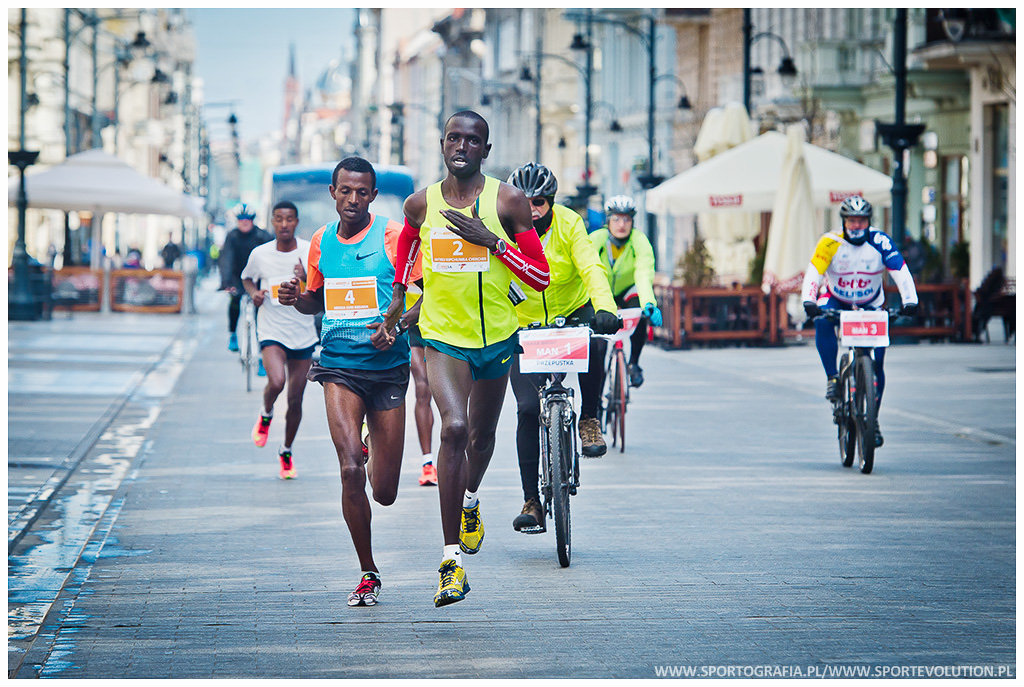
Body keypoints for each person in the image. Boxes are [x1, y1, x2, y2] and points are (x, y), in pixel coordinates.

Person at [383, 111, 550, 607]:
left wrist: (491, 242)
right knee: (453, 427)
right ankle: (451, 561)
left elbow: (539, 276)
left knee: (481, 436)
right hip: (441, 336)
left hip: (497, 337)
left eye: (472, 140)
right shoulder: (420, 203)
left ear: (485, 149)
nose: (462, 145)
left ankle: (471, 499)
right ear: (442, 144)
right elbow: (409, 246)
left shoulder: (508, 200)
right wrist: (399, 297)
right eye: (454, 137)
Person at [278, 156, 422, 608]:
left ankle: (370, 445)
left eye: (362, 192)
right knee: (348, 469)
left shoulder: (394, 236)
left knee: (385, 492)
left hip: (388, 369)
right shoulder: (320, 241)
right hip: (338, 366)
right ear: (333, 193)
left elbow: (425, 299)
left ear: (373, 196)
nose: (353, 199)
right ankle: (368, 571)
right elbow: (315, 302)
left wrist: (395, 327)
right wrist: (294, 298)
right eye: (345, 191)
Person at [504, 162, 621, 533]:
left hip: (571, 311)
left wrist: (605, 308)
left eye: (539, 202)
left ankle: (589, 420)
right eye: (524, 201)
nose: (532, 209)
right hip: (521, 323)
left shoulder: (570, 223)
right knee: (525, 409)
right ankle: (531, 501)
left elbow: (591, 267)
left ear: (551, 202)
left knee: (599, 345)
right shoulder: (501, 228)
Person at [801, 195, 918, 447]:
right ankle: (833, 377)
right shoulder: (830, 242)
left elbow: (901, 271)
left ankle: (873, 418)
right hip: (836, 298)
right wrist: (808, 301)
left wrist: (910, 301)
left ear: (869, 221)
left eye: (861, 221)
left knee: (877, 364)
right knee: (822, 321)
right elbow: (814, 272)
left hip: (871, 302)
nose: (856, 226)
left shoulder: (880, 241)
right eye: (852, 221)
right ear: (843, 221)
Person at [241, 201, 318, 480]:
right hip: (272, 329)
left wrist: (305, 277)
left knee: (296, 399)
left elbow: (321, 285)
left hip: (303, 333)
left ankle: (286, 451)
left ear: (296, 222)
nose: (284, 224)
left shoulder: (309, 249)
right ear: (272, 222)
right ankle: (266, 412)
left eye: (289, 219)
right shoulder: (260, 254)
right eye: (278, 219)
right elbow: (247, 278)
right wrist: (254, 294)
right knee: (276, 382)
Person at [590, 195, 662, 388]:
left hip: (628, 289)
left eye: (627, 219)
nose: (621, 224)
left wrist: (649, 303)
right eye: (616, 219)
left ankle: (634, 363)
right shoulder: (596, 239)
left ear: (632, 221)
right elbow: (585, 269)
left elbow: (644, 273)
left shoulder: (639, 240)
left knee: (640, 313)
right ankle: (597, 390)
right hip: (602, 291)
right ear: (608, 220)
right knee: (599, 345)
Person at [220, 203, 272, 352]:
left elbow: (271, 257)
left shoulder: (262, 235)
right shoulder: (232, 236)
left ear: (252, 220)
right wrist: (226, 282)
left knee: (260, 309)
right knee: (234, 300)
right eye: (241, 219)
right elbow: (226, 259)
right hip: (238, 276)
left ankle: (262, 351)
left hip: (258, 277)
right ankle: (232, 334)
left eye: (248, 219)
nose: (244, 222)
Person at [405, 285, 438, 487]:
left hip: (438, 320)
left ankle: (457, 452)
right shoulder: (396, 253)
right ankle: (428, 462)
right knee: (423, 388)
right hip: (410, 323)